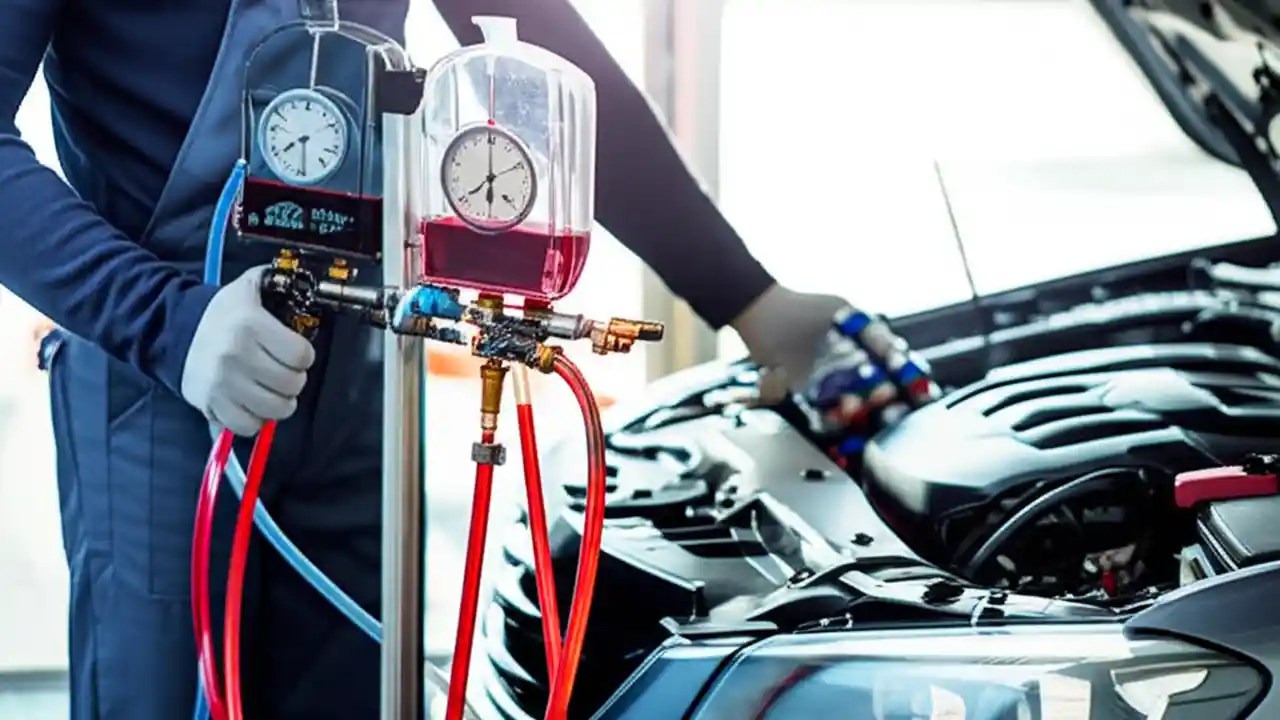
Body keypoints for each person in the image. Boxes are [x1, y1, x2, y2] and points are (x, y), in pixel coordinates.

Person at [0, 1, 927, 718]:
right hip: (163, 395)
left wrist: (747, 298)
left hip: (360, 367)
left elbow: (549, 56)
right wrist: (165, 321)